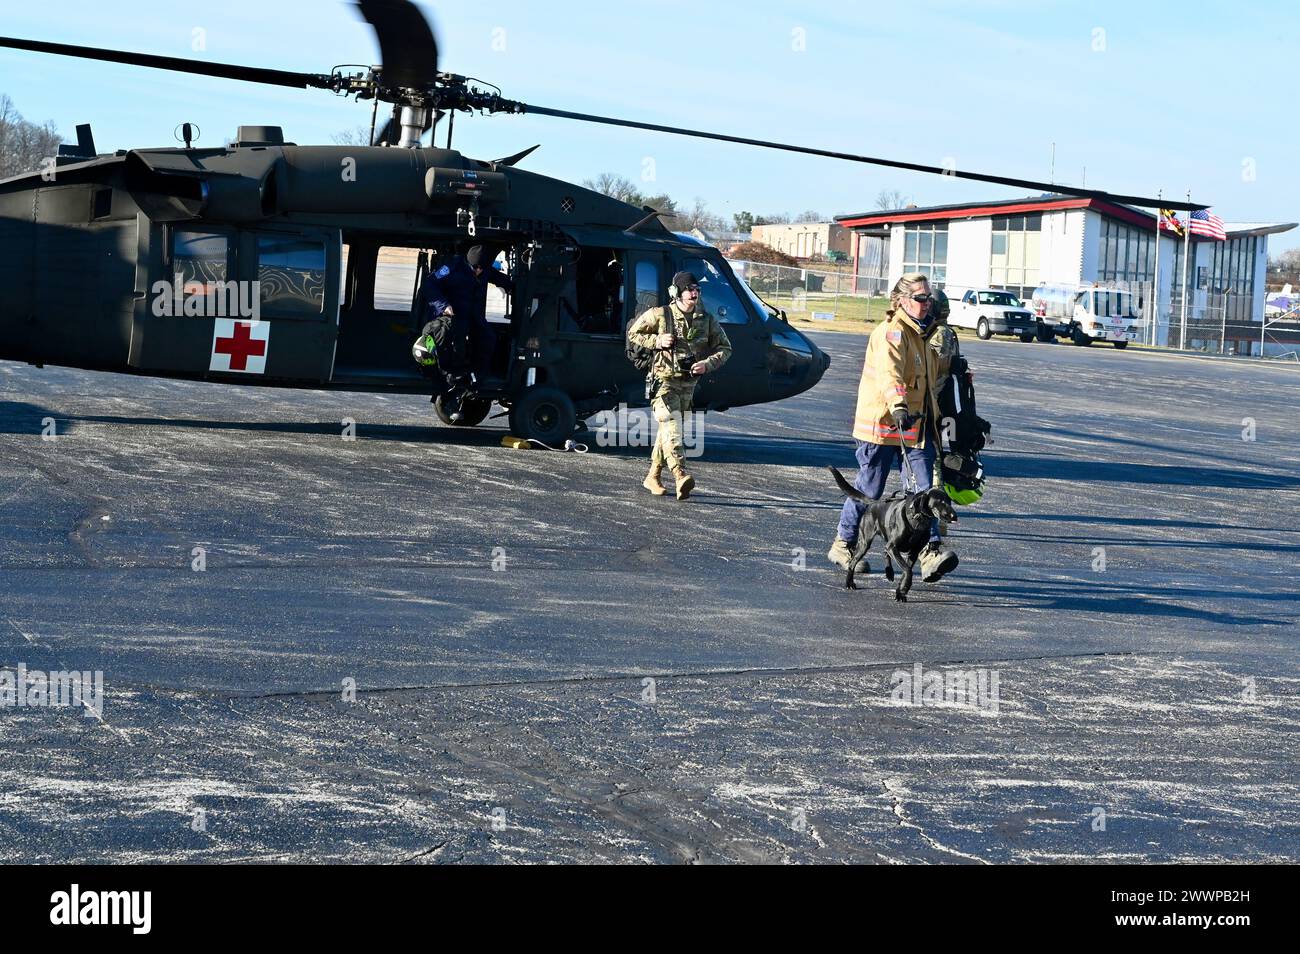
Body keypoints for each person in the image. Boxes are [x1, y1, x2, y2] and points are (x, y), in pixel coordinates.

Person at [827, 272, 959, 582]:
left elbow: (926, 376)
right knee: (870, 490)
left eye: (929, 298)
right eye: (920, 298)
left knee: (924, 491)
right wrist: (898, 405)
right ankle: (844, 543)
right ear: (901, 300)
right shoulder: (892, 333)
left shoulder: (923, 333)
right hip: (884, 425)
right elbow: (891, 374)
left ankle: (929, 552)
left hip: (916, 427)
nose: (927, 303)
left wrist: (952, 366)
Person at [626, 270, 732, 500]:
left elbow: (726, 348)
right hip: (663, 381)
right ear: (676, 292)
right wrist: (657, 340)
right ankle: (680, 474)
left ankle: (653, 476)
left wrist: (707, 364)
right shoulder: (660, 314)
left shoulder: (707, 320)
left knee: (669, 431)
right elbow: (633, 333)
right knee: (670, 423)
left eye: (697, 290)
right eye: (689, 290)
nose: (694, 293)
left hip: (688, 384)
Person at [420, 245, 513, 381]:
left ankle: (478, 375)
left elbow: (498, 278)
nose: (478, 271)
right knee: (456, 345)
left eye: (481, 268)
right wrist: (443, 306)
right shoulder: (451, 267)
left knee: (488, 337)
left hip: (471, 313)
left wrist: (511, 286)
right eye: (475, 268)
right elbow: (429, 285)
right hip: (450, 314)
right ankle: (450, 376)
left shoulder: (483, 268)